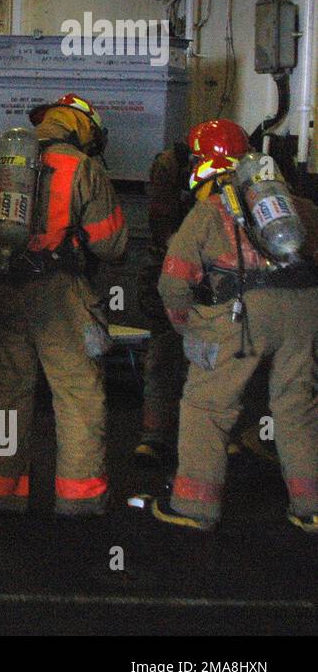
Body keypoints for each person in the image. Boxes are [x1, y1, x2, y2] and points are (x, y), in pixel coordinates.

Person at [153, 120, 318, 533]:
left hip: (242, 314)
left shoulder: (208, 211)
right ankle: (311, 506)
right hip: (304, 312)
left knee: (207, 406)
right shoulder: (299, 207)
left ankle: (194, 506)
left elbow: (173, 281)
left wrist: (188, 327)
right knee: (297, 406)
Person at [0, 93, 128, 516]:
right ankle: (79, 499)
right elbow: (111, 244)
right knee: (77, 395)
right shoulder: (82, 167)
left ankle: (4, 493)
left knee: (6, 393)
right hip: (60, 294)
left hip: (3, 289)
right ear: (83, 125)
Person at [133, 137, 198, 467]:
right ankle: (161, 437)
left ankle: (162, 437)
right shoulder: (172, 167)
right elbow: (164, 224)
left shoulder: (172, 165)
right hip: (181, 274)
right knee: (171, 355)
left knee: (169, 357)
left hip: (184, 274)